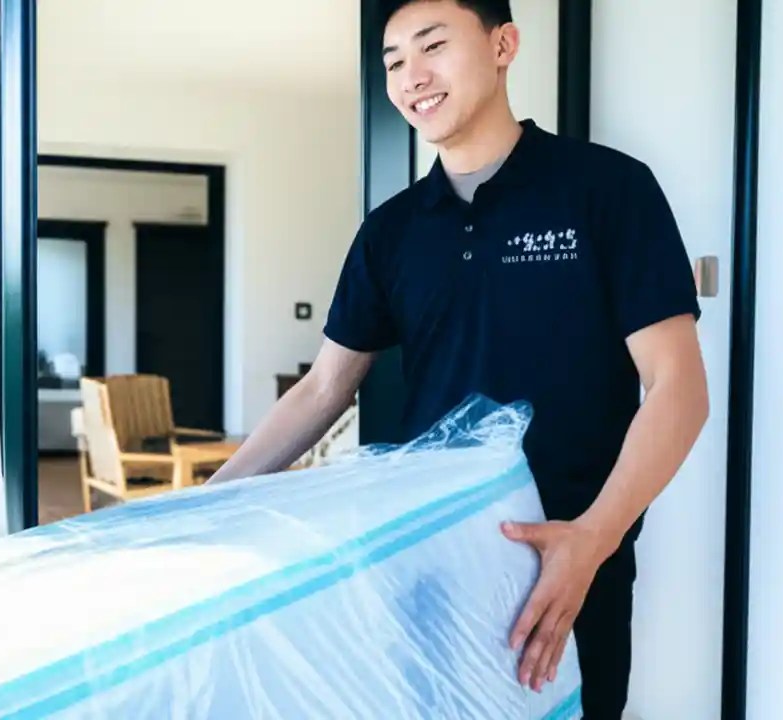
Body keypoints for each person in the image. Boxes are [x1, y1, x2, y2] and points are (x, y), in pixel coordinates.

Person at [205, 0, 709, 716]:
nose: (413, 76)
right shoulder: (391, 231)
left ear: (503, 45)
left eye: (432, 47)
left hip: (566, 559)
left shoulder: (608, 190)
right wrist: (206, 504)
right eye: (394, 62)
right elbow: (323, 390)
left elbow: (678, 388)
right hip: (426, 560)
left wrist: (593, 540)